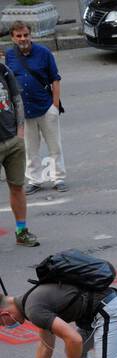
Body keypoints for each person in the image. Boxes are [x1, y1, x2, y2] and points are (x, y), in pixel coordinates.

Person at [6, 22, 63, 194]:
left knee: (55, 147)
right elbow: (9, 82)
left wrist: (55, 105)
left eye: (25, 35)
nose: (23, 39)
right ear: (13, 38)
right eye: (19, 36)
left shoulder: (43, 52)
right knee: (30, 149)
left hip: (46, 107)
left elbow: (55, 78)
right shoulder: (10, 55)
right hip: (24, 111)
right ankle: (35, 180)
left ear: (30, 35)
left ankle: (58, 178)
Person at [0, 58, 36, 247]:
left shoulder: (4, 71)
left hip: (13, 140)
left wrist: (20, 131)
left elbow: (17, 100)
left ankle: (22, 231)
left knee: (17, 186)